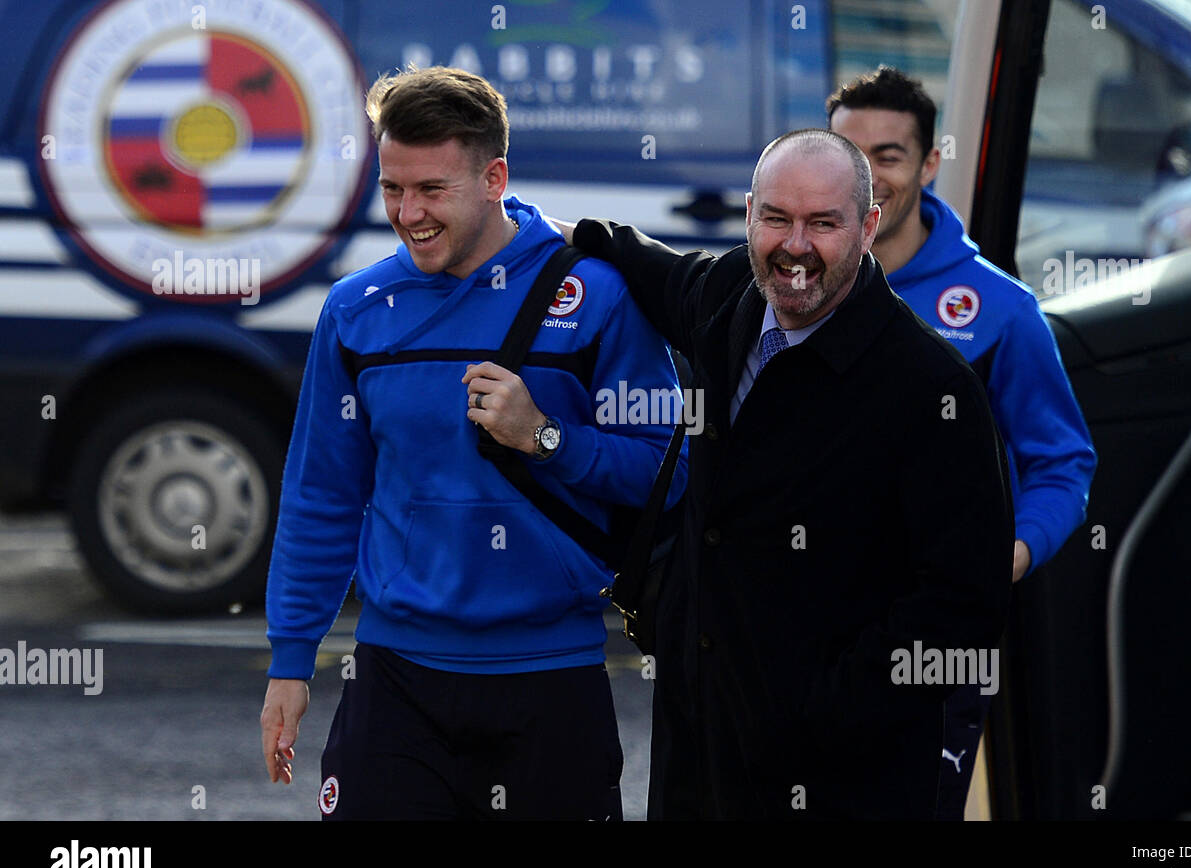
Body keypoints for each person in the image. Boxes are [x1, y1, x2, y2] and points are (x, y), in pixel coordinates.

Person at [258, 66, 683, 820]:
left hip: (552, 676)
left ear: (494, 177)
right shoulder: (357, 311)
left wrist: (546, 437)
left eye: (432, 190)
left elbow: (667, 476)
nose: (408, 214)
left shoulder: (594, 296)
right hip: (395, 677)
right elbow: (321, 494)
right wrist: (291, 660)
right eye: (393, 189)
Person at [553, 129, 1014, 819]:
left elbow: (961, 603)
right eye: (776, 218)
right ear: (748, 216)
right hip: (697, 757)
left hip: (843, 785)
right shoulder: (729, 293)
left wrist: (820, 712)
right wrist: (519, 227)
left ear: (868, 227)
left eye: (823, 223)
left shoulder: (930, 390)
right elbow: (647, 263)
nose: (795, 246)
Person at [828, 65, 1097, 819]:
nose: (870, 177)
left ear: (930, 163)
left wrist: (1014, 551)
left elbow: (1062, 462)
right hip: (806, 627)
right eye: (852, 155)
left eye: (890, 155)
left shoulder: (1001, 311)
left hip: (937, 637)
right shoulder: (785, 289)